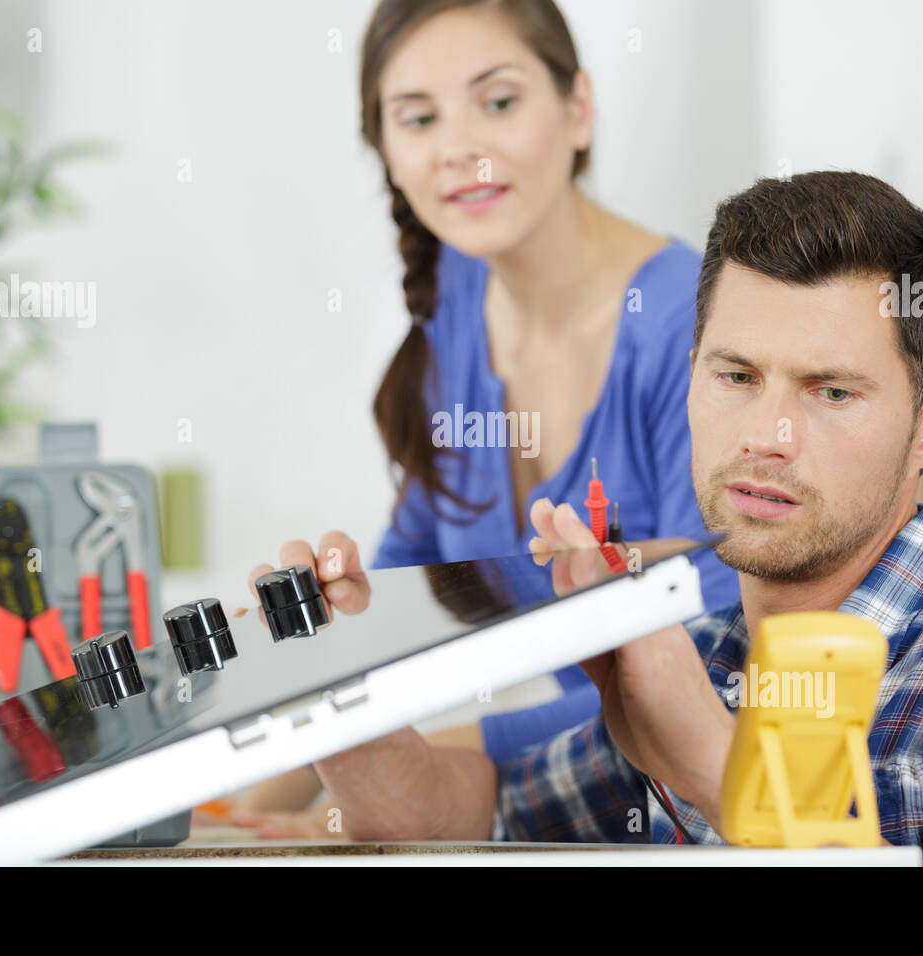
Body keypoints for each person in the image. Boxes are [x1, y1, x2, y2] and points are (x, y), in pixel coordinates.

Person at [256, 171, 923, 865]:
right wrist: (331, 686)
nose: (768, 435)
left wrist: (714, 767)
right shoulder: (707, 654)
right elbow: (461, 813)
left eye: (832, 391)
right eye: (736, 376)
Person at [230, 0, 738, 829]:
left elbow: (720, 667)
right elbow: (411, 582)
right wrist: (260, 804)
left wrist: (429, 763)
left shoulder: (685, 321)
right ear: (386, 151)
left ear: (577, 108)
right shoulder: (458, 306)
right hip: (579, 801)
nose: (461, 147)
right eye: (418, 118)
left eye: (497, 102)